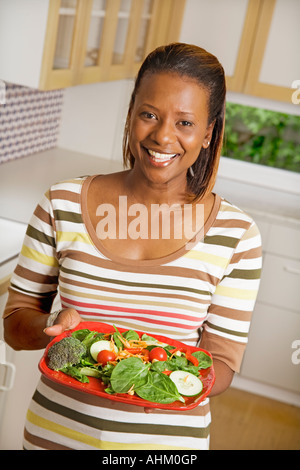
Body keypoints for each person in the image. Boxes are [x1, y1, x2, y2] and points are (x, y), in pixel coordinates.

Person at [3, 43, 262, 450]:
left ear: (208, 133)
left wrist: (171, 386)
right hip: (54, 436)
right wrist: (53, 329)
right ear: (130, 115)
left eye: (185, 123)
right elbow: (16, 324)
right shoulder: (62, 203)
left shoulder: (237, 235)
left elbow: (223, 362)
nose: (162, 136)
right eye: (149, 115)